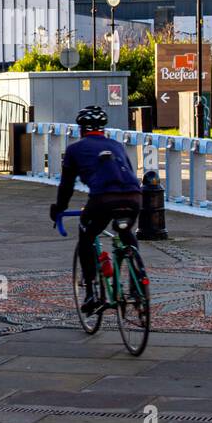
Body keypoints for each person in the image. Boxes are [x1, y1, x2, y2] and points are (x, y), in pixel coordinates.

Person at [49, 105, 143, 315]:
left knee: (87, 233)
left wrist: (59, 209)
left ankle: (91, 292)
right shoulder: (116, 145)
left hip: (103, 198)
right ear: (103, 128)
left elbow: (66, 187)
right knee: (126, 232)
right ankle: (138, 284)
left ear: (81, 129)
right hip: (134, 196)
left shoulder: (75, 150)